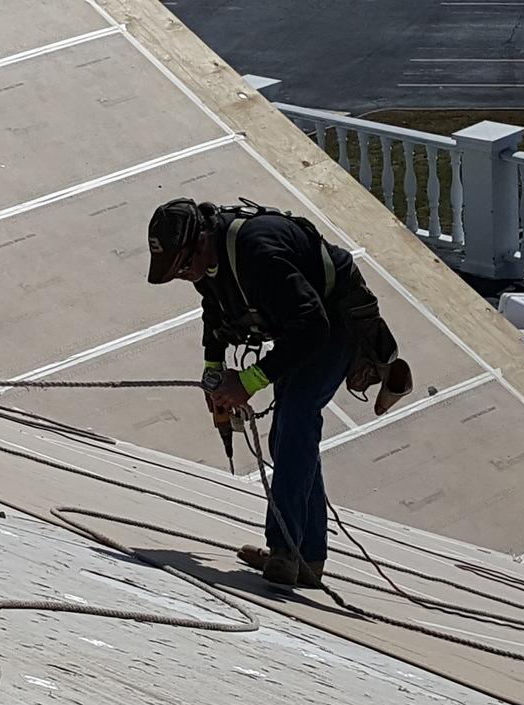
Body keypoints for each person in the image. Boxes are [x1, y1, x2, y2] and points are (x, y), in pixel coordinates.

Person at [145, 197, 410, 588]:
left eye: (183, 267)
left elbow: (313, 326)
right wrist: (213, 368)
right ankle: (308, 557)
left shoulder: (258, 253)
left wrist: (249, 381)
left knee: (297, 414)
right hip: (298, 325)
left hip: (333, 321)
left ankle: (285, 551)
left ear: (201, 240)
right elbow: (214, 306)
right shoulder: (205, 260)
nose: (185, 277)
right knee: (287, 436)